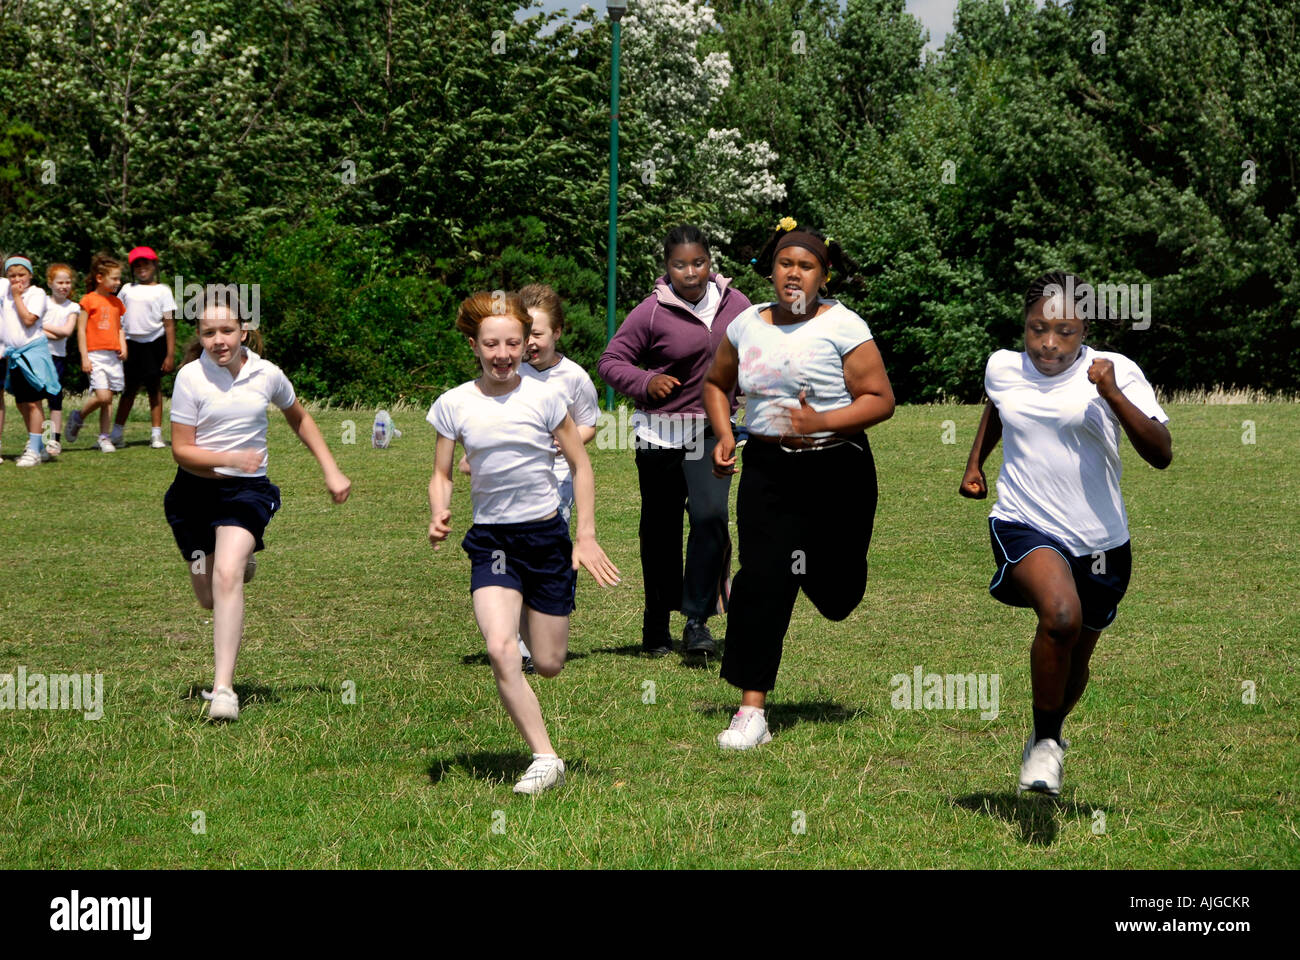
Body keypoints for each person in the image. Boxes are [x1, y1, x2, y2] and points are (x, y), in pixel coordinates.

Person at [959, 271, 1172, 796]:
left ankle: (1043, 736)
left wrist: (1113, 394)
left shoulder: (1115, 370)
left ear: (1085, 329)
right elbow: (998, 408)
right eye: (1037, 329)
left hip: (1102, 540)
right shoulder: (1002, 367)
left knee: (1077, 650)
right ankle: (1049, 743)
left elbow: (1161, 452)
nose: (1049, 343)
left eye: (1065, 331)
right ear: (1024, 325)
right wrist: (974, 465)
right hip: (1023, 521)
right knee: (1060, 617)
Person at [702, 219, 895, 749]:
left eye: (806, 266)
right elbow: (716, 384)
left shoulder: (844, 326)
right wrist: (724, 436)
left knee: (837, 596)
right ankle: (751, 711)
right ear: (771, 271)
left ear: (823, 276)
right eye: (785, 264)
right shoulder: (745, 325)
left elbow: (880, 399)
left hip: (839, 469)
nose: (794, 274)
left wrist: (820, 422)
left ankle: (814, 568)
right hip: (768, 467)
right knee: (762, 578)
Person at [428, 291, 620, 794]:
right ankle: (544, 757)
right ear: (473, 344)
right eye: (491, 344)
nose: (503, 354)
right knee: (499, 649)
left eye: (513, 343)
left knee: (551, 663)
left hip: (546, 537)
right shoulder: (454, 404)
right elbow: (442, 473)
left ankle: (541, 642)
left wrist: (586, 535)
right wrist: (439, 508)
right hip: (492, 541)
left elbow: (581, 465)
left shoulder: (546, 396)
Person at [166, 295, 351, 721]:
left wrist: (331, 469)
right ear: (199, 336)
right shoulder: (190, 378)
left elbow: (299, 417)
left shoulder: (267, 374)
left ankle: (224, 690)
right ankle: (237, 561)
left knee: (227, 575)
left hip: (246, 492)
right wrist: (229, 458)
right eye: (209, 333)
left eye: (227, 331)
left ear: (243, 331)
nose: (218, 340)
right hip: (192, 496)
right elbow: (180, 450)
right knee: (208, 595)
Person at [598, 225, 751, 658]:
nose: (690, 272)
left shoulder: (736, 305)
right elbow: (610, 361)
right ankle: (656, 624)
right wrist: (647, 381)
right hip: (658, 435)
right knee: (660, 532)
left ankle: (697, 620)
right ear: (667, 267)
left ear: (710, 262)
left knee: (710, 517)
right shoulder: (650, 311)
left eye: (698, 262)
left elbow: (757, 352)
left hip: (711, 430)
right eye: (680, 264)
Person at [111, 246, 177, 449]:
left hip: (154, 343)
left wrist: (170, 354)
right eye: (137, 265)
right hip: (131, 343)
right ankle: (117, 433)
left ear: (154, 266)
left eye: (146, 264)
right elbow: (117, 317)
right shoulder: (126, 290)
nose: (142, 269)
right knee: (129, 389)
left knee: (154, 389)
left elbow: (169, 324)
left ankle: (156, 434)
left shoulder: (163, 290)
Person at [66, 254, 127, 452]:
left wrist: (123, 345)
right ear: (100, 278)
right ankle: (78, 416)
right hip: (95, 355)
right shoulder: (88, 300)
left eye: (119, 278)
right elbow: (81, 329)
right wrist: (84, 356)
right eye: (115, 278)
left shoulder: (117, 303)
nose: (118, 282)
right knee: (102, 396)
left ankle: (104, 437)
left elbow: (119, 328)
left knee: (108, 397)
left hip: (113, 356)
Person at [1, 255, 56, 467]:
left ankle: (33, 450)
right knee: (21, 401)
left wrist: (16, 297)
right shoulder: (5, 294)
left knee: (34, 401)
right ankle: (38, 444)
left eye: (21, 275)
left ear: (30, 275)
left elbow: (28, 319)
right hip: (15, 355)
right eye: (12, 276)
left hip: (32, 353)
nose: (17, 280)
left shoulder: (36, 293)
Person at [42, 263, 80, 457]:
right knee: (35, 399)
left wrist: (42, 327)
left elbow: (66, 331)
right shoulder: (42, 302)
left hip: (57, 358)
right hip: (38, 355)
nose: (64, 286)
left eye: (67, 282)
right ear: (50, 283)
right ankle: (38, 438)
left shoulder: (73, 307)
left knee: (54, 400)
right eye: (60, 282)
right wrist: (45, 331)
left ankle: (54, 440)